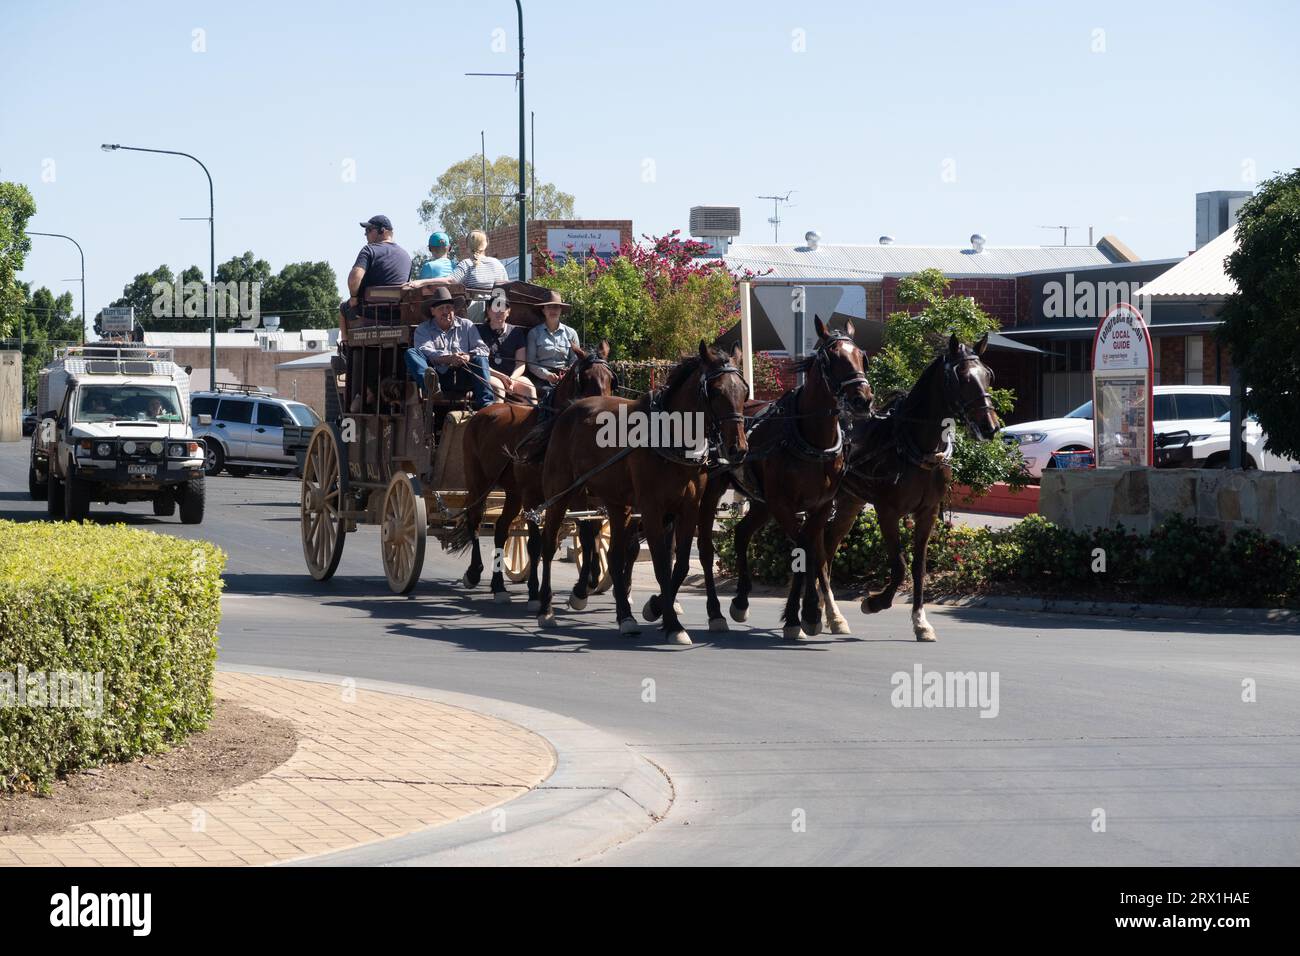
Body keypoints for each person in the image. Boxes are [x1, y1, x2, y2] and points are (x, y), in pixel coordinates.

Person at [405, 287, 494, 409]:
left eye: (449, 308)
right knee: (411, 353)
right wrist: (449, 358)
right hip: (438, 377)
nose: (446, 311)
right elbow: (426, 351)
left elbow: (484, 349)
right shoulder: (423, 329)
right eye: (441, 308)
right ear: (432, 311)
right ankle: (431, 388)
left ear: (454, 310)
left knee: (480, 358)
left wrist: (468, 356)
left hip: (463, 375)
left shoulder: (467, 325)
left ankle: (487, 405)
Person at [339, 215, 413, 342]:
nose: (365, 234)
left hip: (369, 312)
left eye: (369, 230)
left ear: (382, 230)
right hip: (397, 315)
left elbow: (354, 278)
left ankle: (345, 345)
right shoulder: (406, 255)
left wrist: (354, 298)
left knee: (343, 308)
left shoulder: (369, 250)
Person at [476, 294, 535, 403]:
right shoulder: (479, 331)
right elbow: (480, 363)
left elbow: (521, 363)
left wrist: (512, 379)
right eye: (495, 308)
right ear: (488, 311)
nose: (499, 312)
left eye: (503, 308)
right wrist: (501, 377)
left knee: (529, 389)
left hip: (513, 376)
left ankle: (533, 419)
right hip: (489, 374)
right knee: (498, 388)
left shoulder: (516, 332)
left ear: (508, 311)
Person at [525, 290, 580, 401]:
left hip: (567, 378)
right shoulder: (534, 333)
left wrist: (567, 373)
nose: (553, 310)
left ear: (561, 310)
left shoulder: (571, 333)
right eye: (549, 307)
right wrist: (547, 375)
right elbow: (531, 363)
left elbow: (575, 360)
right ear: (543, 310)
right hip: (541, 380)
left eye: (556, 307)